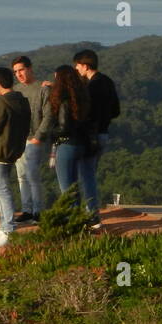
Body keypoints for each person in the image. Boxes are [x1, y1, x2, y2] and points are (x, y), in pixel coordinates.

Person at [0, 66, 30, 248]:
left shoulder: (1, 103)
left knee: (2, 191)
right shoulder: (22, 101)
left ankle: (8, 229)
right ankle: (3, 227)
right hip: (14, 150)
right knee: (4, 190)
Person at [73, 50, 119, 229]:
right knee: (90, 173)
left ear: (85, 66)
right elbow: (116, 110)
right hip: (104, 134)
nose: (76, 69)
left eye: (77, 65)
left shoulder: (91, 87)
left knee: (86, 176)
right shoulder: (107, 82)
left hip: (90, 136)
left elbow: (86, 114)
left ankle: (92, 215)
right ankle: (90, 211)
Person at [48, 65, 98, 221]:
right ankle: (86, 218)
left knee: (67, 189)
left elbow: (64, 127)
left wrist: (51, 133)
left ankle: (72, 221)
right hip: (82, 144)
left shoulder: (64, 101)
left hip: (67, 145)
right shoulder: (83, 98)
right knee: (76, 185)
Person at [11, 56, 52, 224]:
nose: (19, 74)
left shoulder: (42, 88)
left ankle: (38, 211)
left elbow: (49, 115)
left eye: (21, 70)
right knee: (21, 176)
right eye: (15, 72)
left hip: (34, 139)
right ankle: (27, 210)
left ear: (30, 68)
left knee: (33, 176)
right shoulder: (15, 90)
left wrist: (38, 137)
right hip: (18, 139)